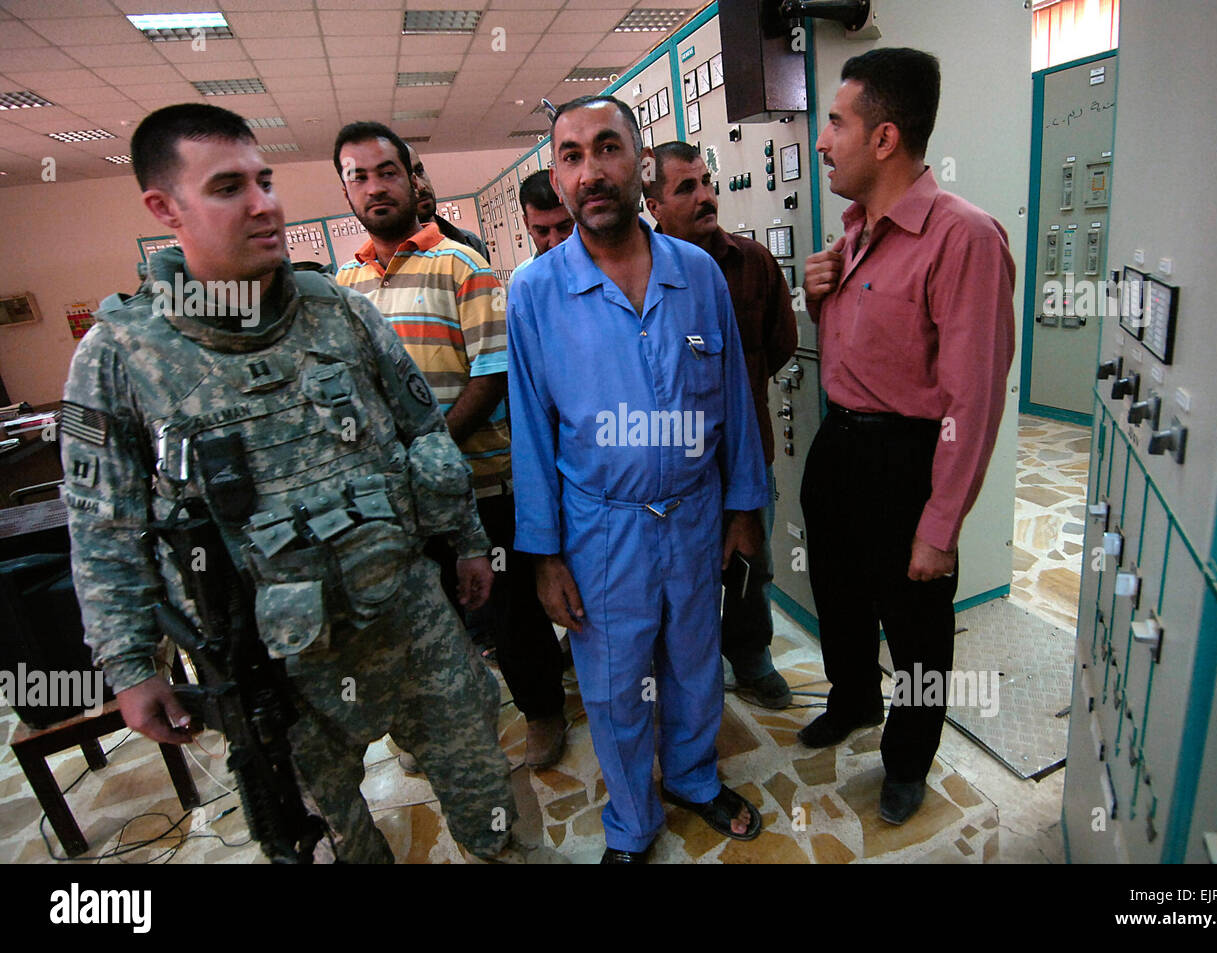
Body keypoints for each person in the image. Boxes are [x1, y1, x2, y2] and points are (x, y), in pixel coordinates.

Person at [60, 103, 519, 863]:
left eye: (265, 180)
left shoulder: (338, 308)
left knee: (478, 774)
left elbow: (420, 429)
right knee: (330, 835)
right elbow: (104, 526)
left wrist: (469, 543)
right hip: (275, 660)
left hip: (404, 613)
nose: (264, 202)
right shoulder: (117, 358)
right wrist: (132, 664)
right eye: (229, 186)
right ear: (163, 208)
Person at [507, 95, 769, 863]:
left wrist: (743, 507)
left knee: (693, 662)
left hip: (693, 516)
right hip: (599, 529)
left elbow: (734, 405)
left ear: (640, 162)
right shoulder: (535, 293)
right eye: (572, 155)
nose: (592, 171)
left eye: (608, 148)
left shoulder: (697, 275)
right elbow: (531, 431)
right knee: (616, 687)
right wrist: (545, 555)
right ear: (556, 176)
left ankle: (691, 776)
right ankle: (631, 821)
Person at [800, 49, 1015, 825]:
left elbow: (975, 396)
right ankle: (853, 698)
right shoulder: (853, 231)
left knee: (917, 631)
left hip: (908, 461)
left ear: (884, 137)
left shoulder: (965, 238)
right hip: (839, 447)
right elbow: (867, 348)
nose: (822, 142)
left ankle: (906, 757)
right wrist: (816, 297)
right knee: (839, 596)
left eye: (835, 123)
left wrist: (941, 523)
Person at [333, 122, 568, 769]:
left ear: (413, 179)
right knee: (434, 622)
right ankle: (444, 724)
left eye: (387, 171)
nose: (375, 187)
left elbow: (492, 375)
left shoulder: (464, 266)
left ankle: (544, 712)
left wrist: (426, 450)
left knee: (512, 616)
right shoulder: (342, 286)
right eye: (359, 176)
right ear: (346, 190)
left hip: (481, 487)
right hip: (401, 502)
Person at [644, 140, 798, 709]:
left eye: (706, 182)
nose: (706, 196)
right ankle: (687, 675)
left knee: (750, 566)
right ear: (653, 204)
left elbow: (781, 344)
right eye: (686, 188)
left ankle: (752, 657)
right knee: (678, 580)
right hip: (672, 469)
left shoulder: (752, 262)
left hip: (745, 455)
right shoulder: (640, 274)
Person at [405, 140, 491, 262]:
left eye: (419, 171)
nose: (421, 186)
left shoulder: (472, 244)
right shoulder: (386, 260)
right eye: (408, 179)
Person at [509, 169, 574, 285]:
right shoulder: (521, 281)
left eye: (564, 227)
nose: (555, 243)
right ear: (527, 225)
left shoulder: (608, 268)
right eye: (543, 231)